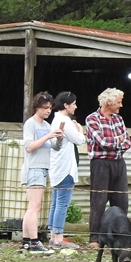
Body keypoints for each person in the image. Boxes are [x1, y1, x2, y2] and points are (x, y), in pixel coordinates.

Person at [85, 87, 131, 248]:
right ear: (109, 102)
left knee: (121, 201)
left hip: (119, 163)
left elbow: (127, 142)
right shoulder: (92, 119)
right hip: (101, 164)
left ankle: (120, 236)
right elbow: (102, 143)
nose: (121, 105)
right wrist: (118, 141)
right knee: (99, 201)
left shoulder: (118, 119)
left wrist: (116, 143)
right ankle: (95, 238)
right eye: (118, 102)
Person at [21, 92, 63, 254]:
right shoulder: (30, 124)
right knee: (35, 206)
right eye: (45, 108)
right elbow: (29, 147)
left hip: (44, 168)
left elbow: (55, 146)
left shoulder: (46, 126)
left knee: (32, 207)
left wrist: (58, 138)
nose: (48, 111)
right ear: (37, 107)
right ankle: (34, 241)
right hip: (34, 168)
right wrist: (48, 136)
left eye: (50, 108)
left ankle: (26, 241)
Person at [47, 91, 86, 248]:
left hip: (58, 167)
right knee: (62, 203)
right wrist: (80, 130)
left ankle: (53, 236)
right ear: (66, 105)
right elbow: (79, 140)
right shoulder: (65, 121)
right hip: (65, 168)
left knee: (56, 202)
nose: (76, 107)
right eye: (74, 104)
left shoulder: (56, 120)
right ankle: (58, 238)